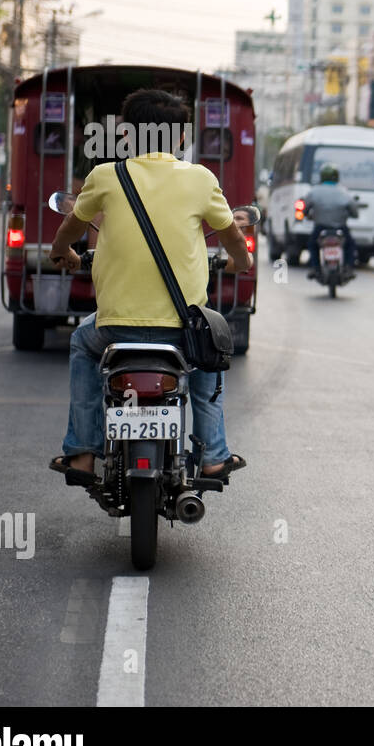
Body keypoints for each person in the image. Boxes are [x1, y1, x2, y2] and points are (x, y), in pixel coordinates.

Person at [46, 88, 252, 486]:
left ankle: (83, 454)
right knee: (211, 352)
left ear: (126, 135)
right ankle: (212, 456)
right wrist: (242, 263)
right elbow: (231, 237)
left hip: (114, 327)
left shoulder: (105, 176)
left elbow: (70, 227)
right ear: (180, 138)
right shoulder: (201, 179)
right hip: (183, 328)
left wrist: (62, 252)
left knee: (80, 344)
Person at [304, 165, 359, 278]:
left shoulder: (314, 191)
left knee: (312, 244)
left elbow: (305, 208)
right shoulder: (344, 192)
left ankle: (315, 268)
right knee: (350, 245)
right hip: (340, 228)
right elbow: (354, 210)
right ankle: (348, 267)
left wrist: (307, 214)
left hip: (320, 228)